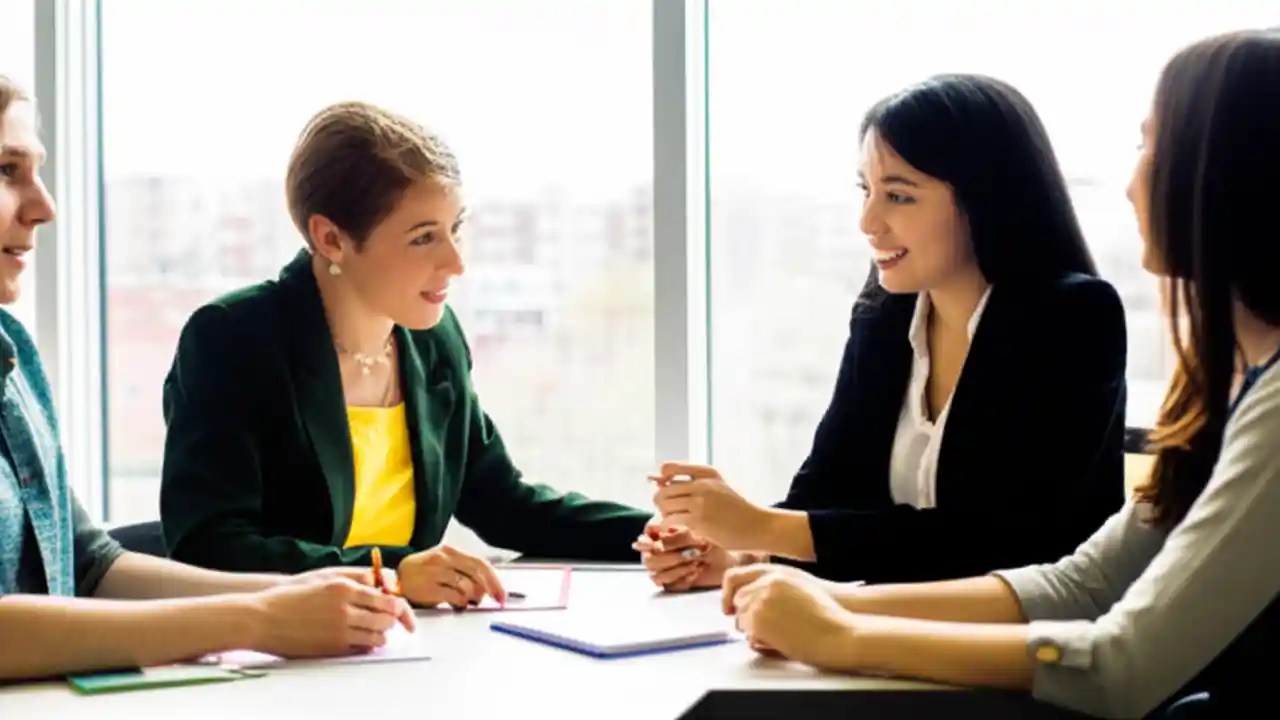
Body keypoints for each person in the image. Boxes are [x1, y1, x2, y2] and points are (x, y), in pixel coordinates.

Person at [720, 28, 1280, 719]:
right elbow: (1085, 583)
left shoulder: (1267, 400)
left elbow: (1121, 665)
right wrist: (830, 597)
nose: (1132, 181)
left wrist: (846, 631)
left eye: (1149, 147)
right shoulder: (1228, 384)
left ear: (1227, 174)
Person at [639, 74, 1126, 591]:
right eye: (866, 190)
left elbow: (996, 541)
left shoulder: (1073, 318)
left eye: (899, 196)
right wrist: (741, 553)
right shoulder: (885, 316)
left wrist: (764, 528)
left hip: (1024, 650)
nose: (869, 222)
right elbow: (828, 492)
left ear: (986, 199)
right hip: (893, 634)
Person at [159, 100, 652, 609]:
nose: (456, 262)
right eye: (423, 238)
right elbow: (209, 546)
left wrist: (656, 536)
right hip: (281, 655)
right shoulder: (234, 338)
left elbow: (507, 505)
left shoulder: (432, 339)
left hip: (410, 648)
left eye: (455, 229)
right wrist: (389, 576)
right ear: (331, 238)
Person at [0, 76, 413, 681]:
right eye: (9, 170)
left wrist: (292, 591)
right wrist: (258, 620)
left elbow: (90, 567)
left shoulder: (15, 355)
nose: (45, 206)